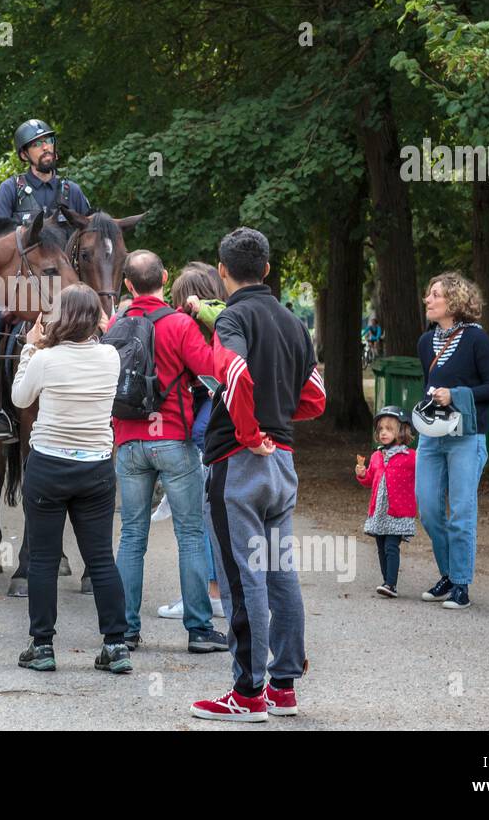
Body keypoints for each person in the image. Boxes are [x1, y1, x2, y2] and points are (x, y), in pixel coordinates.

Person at [191, 227, 326, 723]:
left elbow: (234, 374)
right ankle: (284, 687)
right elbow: (316, 397)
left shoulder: (232, 317)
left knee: (240, 576)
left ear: (222, 271)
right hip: (283, 463)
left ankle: (248, 693)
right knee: (280, 572)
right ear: (267, 269)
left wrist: (250, 432)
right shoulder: (294, 322)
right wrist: (277, 423)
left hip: (239, 461)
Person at [108, 251, 227, 655]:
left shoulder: (117, 323)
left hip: (128, 439)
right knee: (191, 534)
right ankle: (198, 628)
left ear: (127, 284)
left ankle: (124, 630)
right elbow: (212, 370)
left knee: (132, 536)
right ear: (164, 276)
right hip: (173, 438)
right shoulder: (179, 324)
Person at [10, 284, 129, 674]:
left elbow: (20, 399)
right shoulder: (111, 357)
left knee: (43, 559)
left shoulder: (45, 360)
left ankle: (42, 645)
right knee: (100, 558)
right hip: (95, 467)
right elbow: (107, 333)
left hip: (48, 466)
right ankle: (115, 644)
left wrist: (31, 347)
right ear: (96, 318)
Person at [0, 118, 93, 441]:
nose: (46, 148)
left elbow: (88, 239)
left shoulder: (72, 191)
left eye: (49, 141)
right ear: (24, 154)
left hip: (67, 293)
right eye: (37, 144)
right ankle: (0, 411)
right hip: (21, 289)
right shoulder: (11, 189)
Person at [416, 272, 489, 610]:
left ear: (454, 301)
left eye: (434, 295)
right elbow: (429, 382)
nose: (428, 300)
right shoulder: (426, 343)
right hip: (431, 437)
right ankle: (449, 573)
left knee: (462, 512)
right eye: (428, 294)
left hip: (466, 438)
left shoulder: (477, 341)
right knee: (428, 510)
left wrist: (456, 394)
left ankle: (461, 583)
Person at [157, 262, 230, 621]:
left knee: (200, 517)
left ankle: (208, 592)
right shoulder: (215, 323)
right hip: (208, 411)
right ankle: (212, 590)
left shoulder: (216, 323)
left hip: (210, 422)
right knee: (206, 518)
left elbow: (215, 376)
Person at [355, 406, 417, 598]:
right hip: (379, 512)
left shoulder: (411, 457)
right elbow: (369, 481)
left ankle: (391, 584)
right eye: (381, 429)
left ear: (402, 431)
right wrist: (362, 475)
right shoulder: (376, 456)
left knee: (391, 546)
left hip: (398, 511)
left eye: (389, 429)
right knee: (381, 547)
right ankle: (386, 582)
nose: (383, 433)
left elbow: (423, 477)